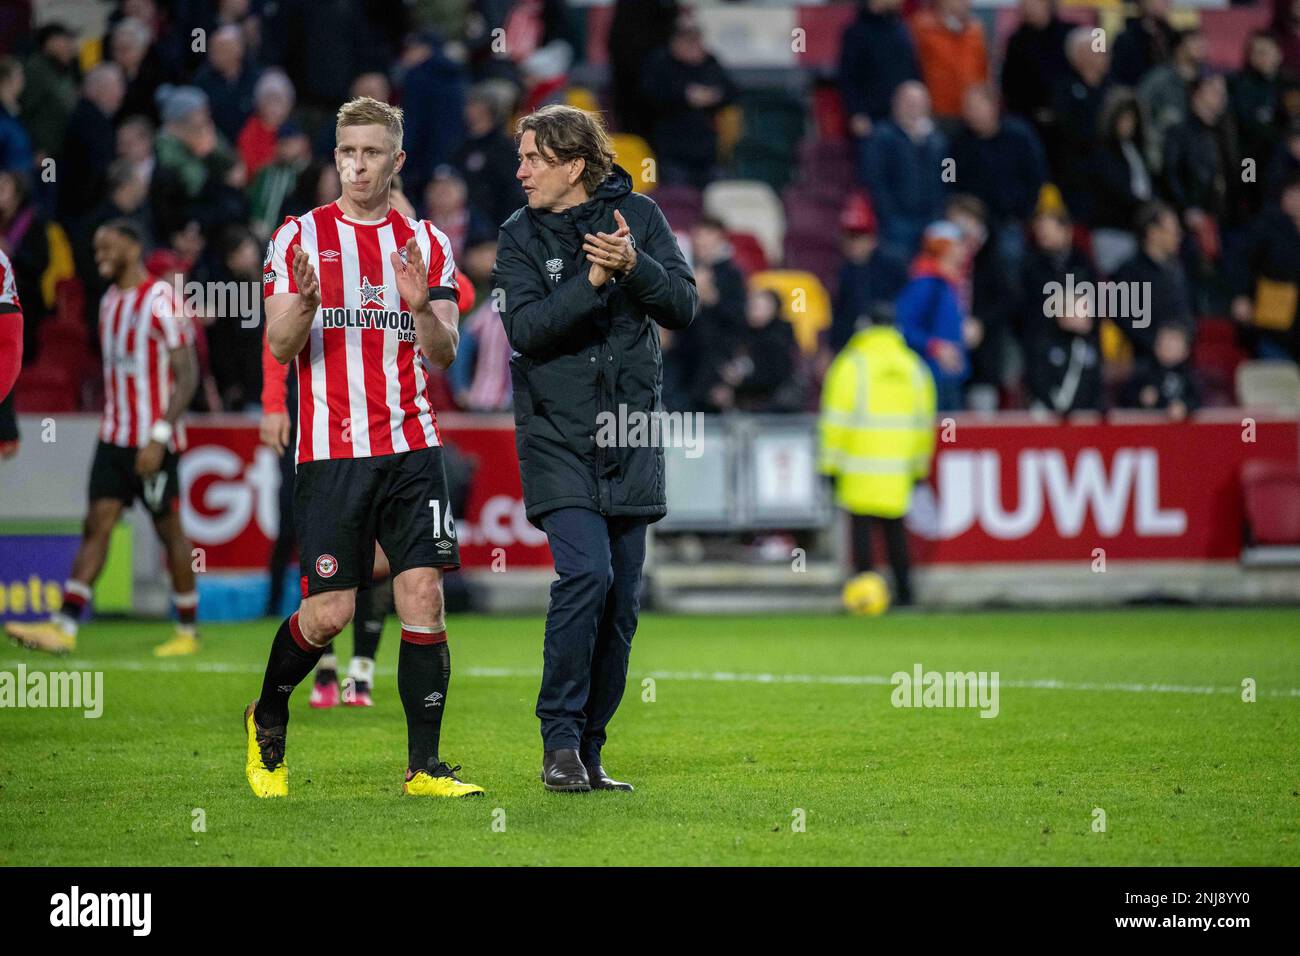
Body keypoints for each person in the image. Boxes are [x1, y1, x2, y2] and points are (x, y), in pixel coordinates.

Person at [245, 96, 482, 800]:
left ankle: (424, 768)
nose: (357, 164)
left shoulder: (428, 244)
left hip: (413, 446)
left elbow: (442, 353)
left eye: (372, 152)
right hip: (330, 453)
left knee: (423, 598)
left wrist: (415, 308)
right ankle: (268, 717)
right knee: (330, 614)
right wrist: (306, 307)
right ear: (335, 157)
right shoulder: (297, 238)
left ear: (396, 161)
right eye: (347, 151)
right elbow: (280, 346)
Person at [491, 104, 697, 792]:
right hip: (556, 436)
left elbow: (684, 308)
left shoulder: (639, 218)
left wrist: (635, 268)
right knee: (588, 576)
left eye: (531, 159)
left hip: (631, 439)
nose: (519, 171)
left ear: (573, 165)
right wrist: (595, 283)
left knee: (622, 604)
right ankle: (558, 742)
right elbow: (525, 329)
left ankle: (590, 750)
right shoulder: (518, 236)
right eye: (519, 159)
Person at [5, 219, 201, 657]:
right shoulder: (110, 302)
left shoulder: (161, 300)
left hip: (155, 438)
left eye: (106, 248)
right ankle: (64, 627)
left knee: (169, 529)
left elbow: (187, 374)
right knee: (96, 524)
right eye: (96, 250)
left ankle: (187, 630)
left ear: (132, 247)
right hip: (114, 437)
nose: (99, 258)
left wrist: (160, 435)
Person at [819, 303, 935, 607]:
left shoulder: (851, 364)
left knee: (861, 535)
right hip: (897, 467)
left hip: (858, 464)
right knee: (896, 533)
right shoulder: (914, 367)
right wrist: (918, 467)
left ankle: (864, 598)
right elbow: (925, 424)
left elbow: (835, 420)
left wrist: (829, 465)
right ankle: (906, 595)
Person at [1019, 209, 1103, 413]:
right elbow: (1022, 310)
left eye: (1048, 231)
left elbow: (1098, 304)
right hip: (1041, 346)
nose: (1043, 237)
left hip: (1080, 345)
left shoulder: (1082, 263)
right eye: (1039, 232)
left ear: (1066, 231)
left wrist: (1085, 323)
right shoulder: (1031, 266)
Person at [862, 81, 948, 259]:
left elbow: (949, 174)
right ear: (896, 104)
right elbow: (873, 177)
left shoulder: (938, 140)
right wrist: (887, 212)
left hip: (931, 218)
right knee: (898, 268)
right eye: (908, 102)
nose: (913, 108)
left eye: (918, 103)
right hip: (896, 220)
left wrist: (942, 207)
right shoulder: (882, 136)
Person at [895, 220, 969, 410]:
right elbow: (903, 328)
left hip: (952, 377)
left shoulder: (950, 284)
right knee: (940, 435)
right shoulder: (926, 284)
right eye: (958, 243)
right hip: (932, 378)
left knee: (952, 436)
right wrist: (936, 348)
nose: (963, 249)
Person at [829, 193, 907, 353]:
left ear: (873, 239)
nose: (854, 244)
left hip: (889, 343)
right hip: (853, 349)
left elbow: (904, 312)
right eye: (850, 237)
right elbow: (839, 319)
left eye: (860, 237)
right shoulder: (844, 272)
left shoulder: (893, 268)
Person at [838, 0, 921, 142]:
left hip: (904, 120)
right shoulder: (856, 32)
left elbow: (913, 71)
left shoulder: (901, 29)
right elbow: (848, 78)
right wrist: (856, 113)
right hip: (872, 121)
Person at [909, 0, 988, 124]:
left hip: (971, 116)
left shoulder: (975, 31)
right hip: (937, 113)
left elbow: (983, 73)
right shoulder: (921, 28)